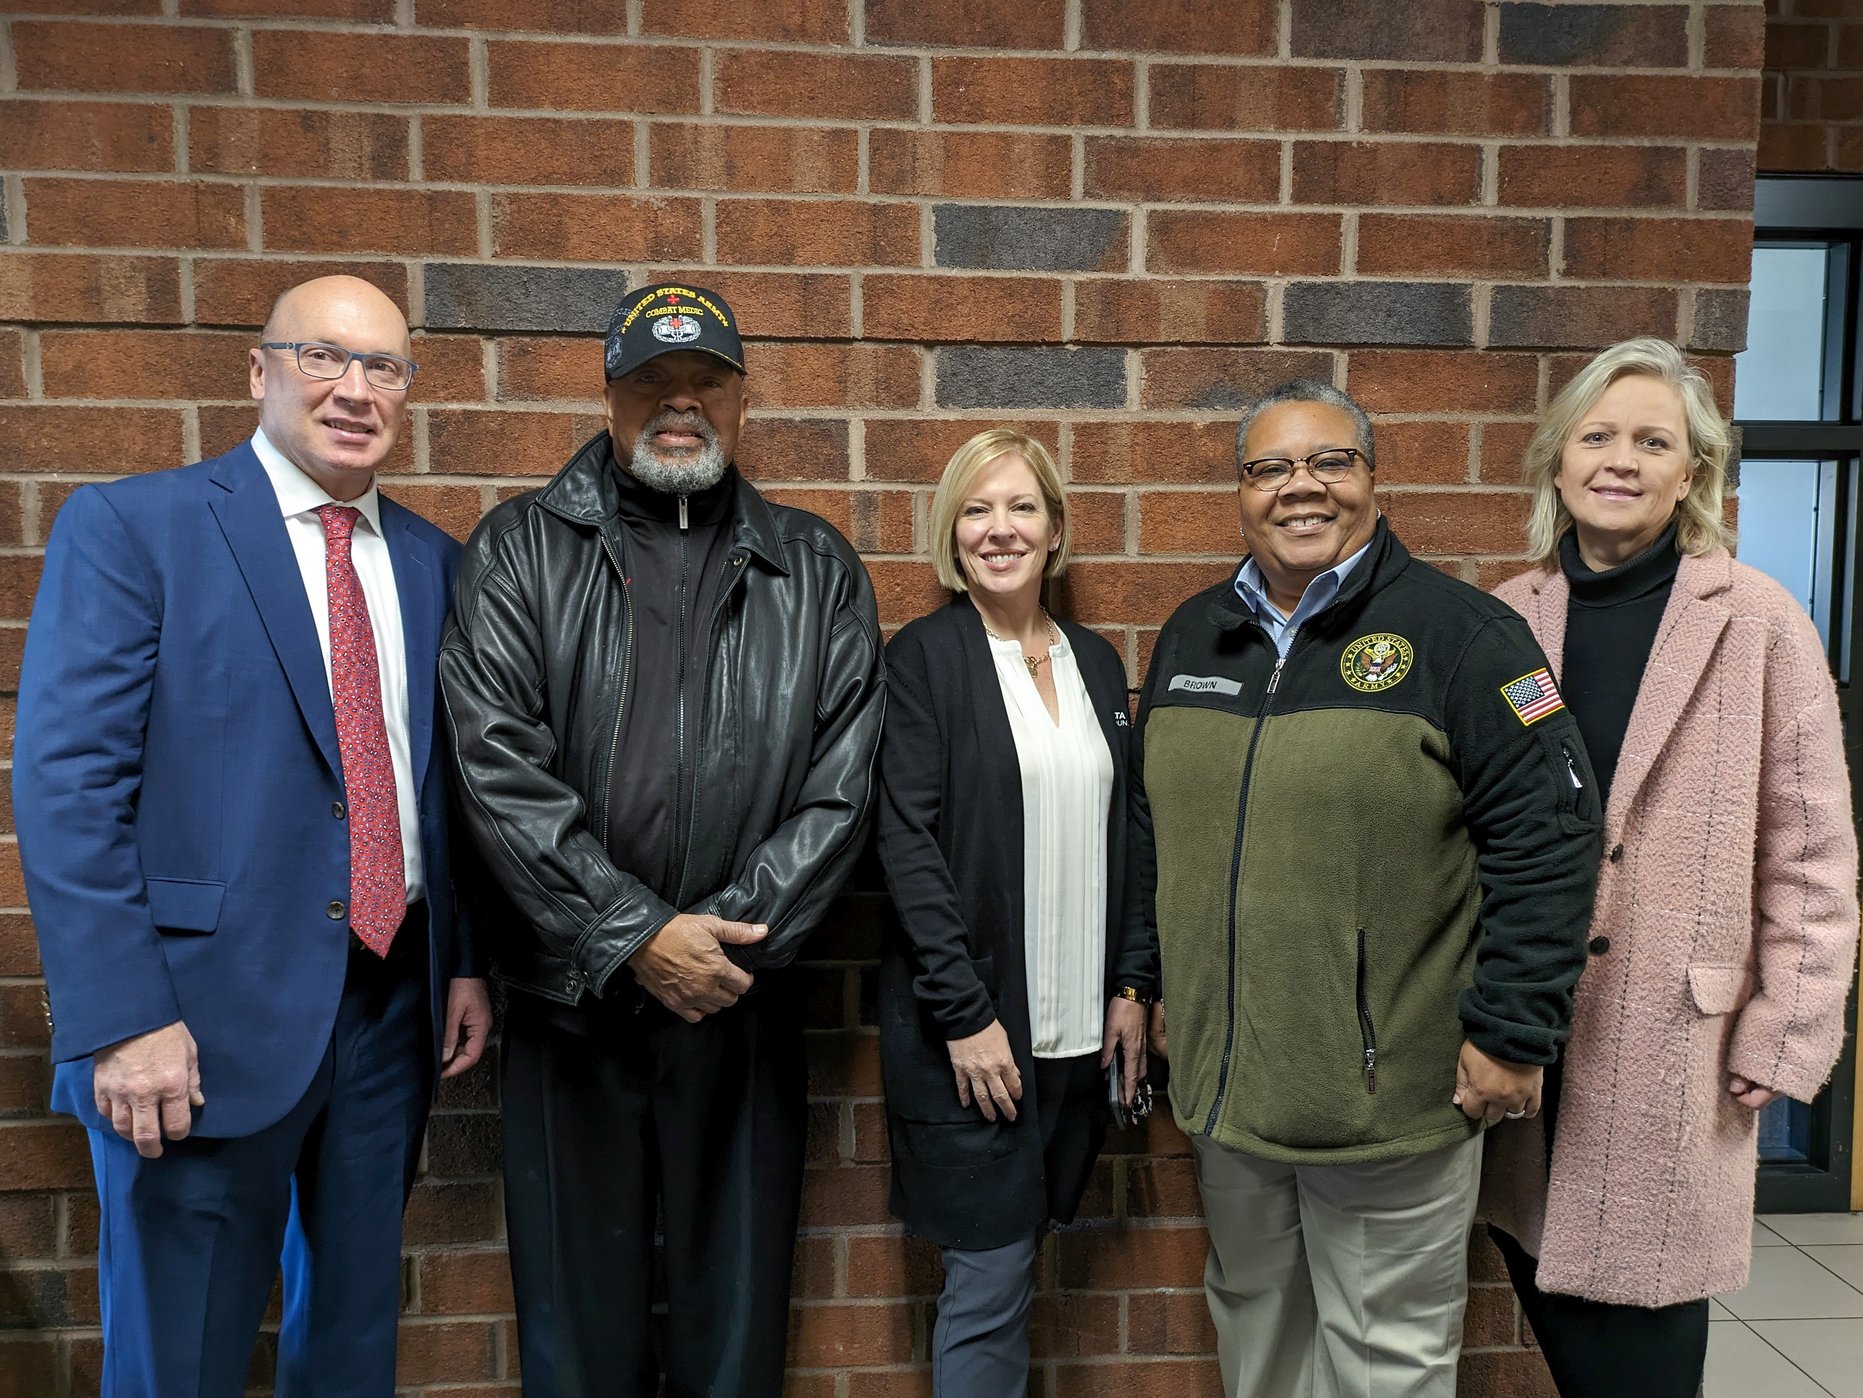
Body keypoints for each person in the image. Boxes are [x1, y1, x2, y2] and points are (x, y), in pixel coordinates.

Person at [12, 275, 491, 1397]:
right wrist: (125, 1017)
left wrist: (461, 956)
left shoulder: (432, 561)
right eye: (324, 356)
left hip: (389, 1010)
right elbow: (67, 786)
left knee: (354, 1341)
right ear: (258, 370)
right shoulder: (137, 528)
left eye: (383, 368)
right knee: (181, 1356)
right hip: (194, 1025)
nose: (354, 388)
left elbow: (438, 781)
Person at [439, 282, 885, 1398]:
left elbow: (844, 790)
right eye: (650, 382)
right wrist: (634, 935)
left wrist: (717, 951)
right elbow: (495, 770)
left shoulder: (816, 568)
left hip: (742, 1006)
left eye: (704, 383)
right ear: (610, 394)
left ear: (742, 399)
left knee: (733, 1345)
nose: (677, 404)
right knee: (575, 1340)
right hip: (568, 1005)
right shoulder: (517, 551)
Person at [1132, 380, 1602, 1398]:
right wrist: (1146, 981)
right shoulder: (1191, 636)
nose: (1300, 488)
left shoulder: (1463, 638)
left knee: (1386, 1363)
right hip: (1226, 1089)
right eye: (1269, 468)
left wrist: (1515, 1031)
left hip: (1390, 1097)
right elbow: (1147, 828)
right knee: (1256, 1340)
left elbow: (1554, 837)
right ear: (1241, 492)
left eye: (1329, 462)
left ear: (1373, 480)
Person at [1482, 338, 1860, 1398]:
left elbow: (1815, 853)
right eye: (1597, 437)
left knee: (1643, 1339)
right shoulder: (1505, 620)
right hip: (1532, 1029)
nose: (1621, 460)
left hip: (1673, 1044)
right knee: (1547, 1284)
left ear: (1692, 472)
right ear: (1557, 463)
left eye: (1655, 441)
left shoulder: (1759, 624)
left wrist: (1786, 1028)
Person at [876, 429, 1156, 1395]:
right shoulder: (924, 660)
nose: (999, 529)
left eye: (1020, 507)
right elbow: (904, 845)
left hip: (1080, 1038)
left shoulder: (1091, 656)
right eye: (976, 509)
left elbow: (1133, 830)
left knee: (1022, 1264)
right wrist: (963, 1014)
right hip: (979, 1040)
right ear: (951, 536)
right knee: (988, 1283)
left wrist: (1133, 983)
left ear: (1056, 529)